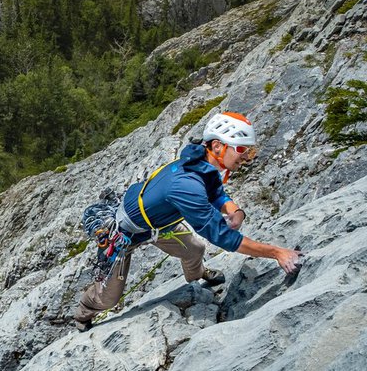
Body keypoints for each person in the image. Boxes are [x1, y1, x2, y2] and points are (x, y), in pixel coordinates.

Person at [74, 111, 302, 331]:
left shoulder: (201, 162)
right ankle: (83, 314)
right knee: (109, 298)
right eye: (241, 149)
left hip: (159, 223)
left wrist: (235, 210)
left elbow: (215, 191)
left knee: (195, 249)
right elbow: (223, 236)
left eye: (249, 151)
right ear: (217, 146)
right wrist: (277, 253)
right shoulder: (186, 186)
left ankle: (196, 279)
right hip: (124, 233)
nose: (245, 157)